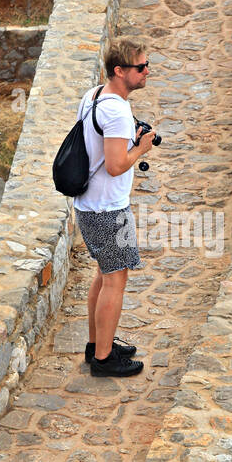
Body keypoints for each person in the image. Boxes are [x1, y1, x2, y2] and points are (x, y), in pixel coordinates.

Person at [73, 39, 156, 378]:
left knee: (104, 275)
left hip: (89, 204)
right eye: (141, 67)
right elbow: (116, 165)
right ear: (120, 71)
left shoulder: (93, 96)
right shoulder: (118, 111)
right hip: (108, 209)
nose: (147, 71)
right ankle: (105, 360)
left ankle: (97, 345)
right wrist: (141, 148)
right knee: (115, 279)